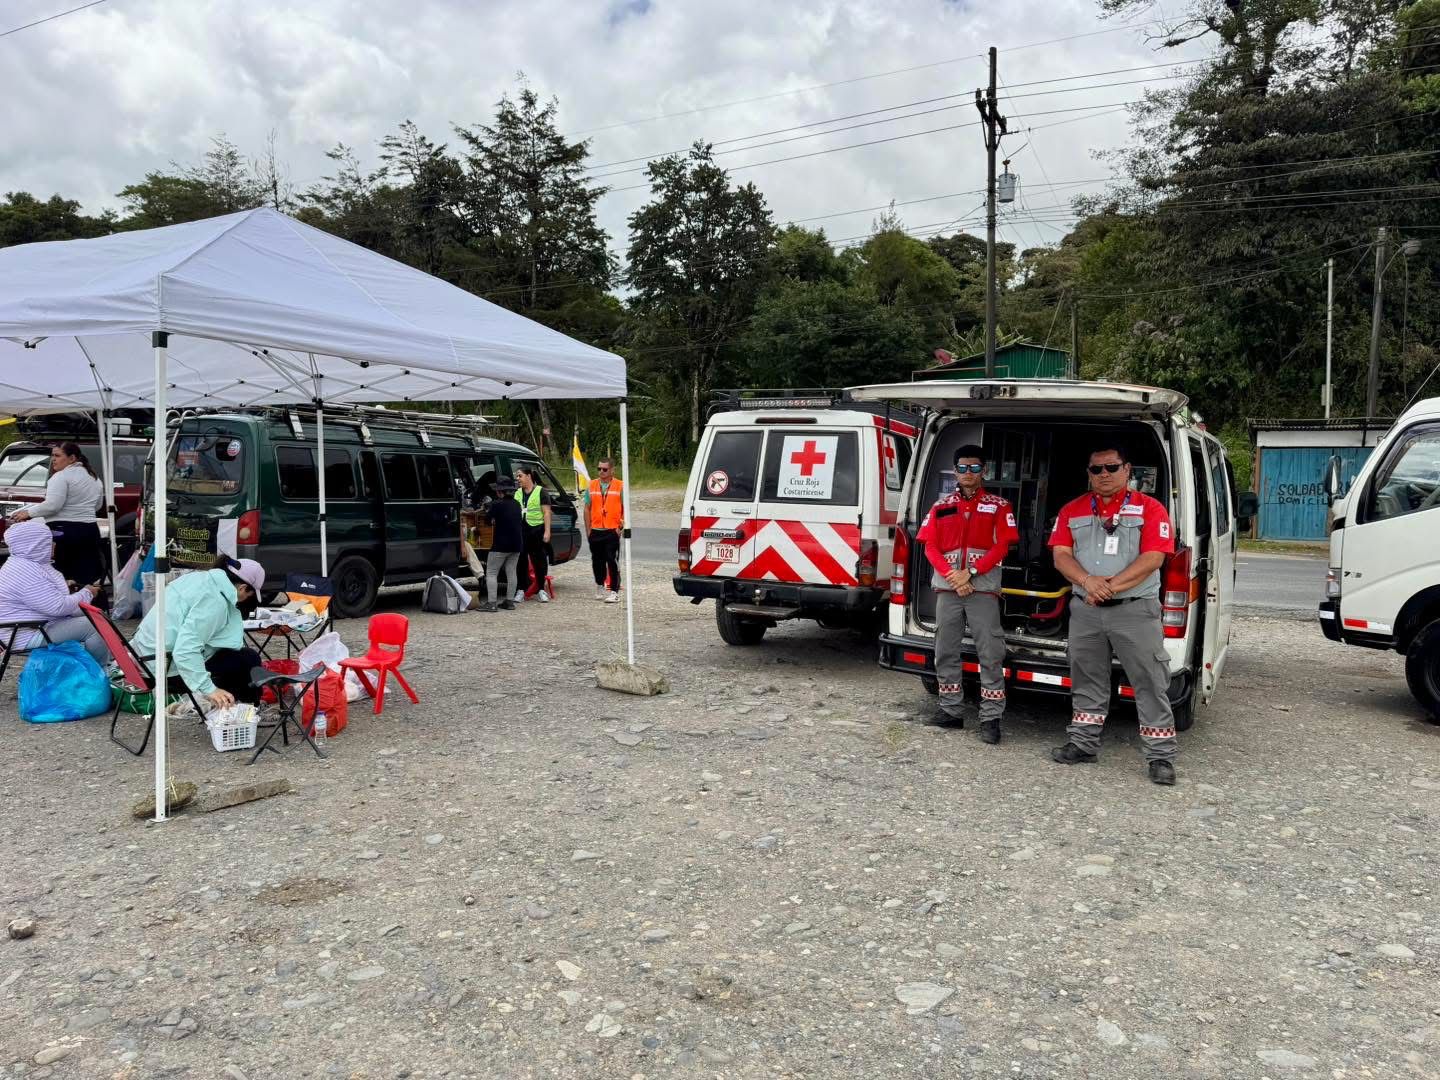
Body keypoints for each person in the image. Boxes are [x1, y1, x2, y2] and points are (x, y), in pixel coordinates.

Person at [1047, 444, 1179, 786]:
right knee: (1087, 677)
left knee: (1149, 681)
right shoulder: (1072, 510)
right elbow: (1061, 555)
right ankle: (1083, 743)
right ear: (1088, 474)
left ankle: (1160, 756)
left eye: (1111, 467)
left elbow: (1154, 558)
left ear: (1127, 469)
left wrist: (1109, 586)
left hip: (1134, 610)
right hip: (1087, 610)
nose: (1104, 474)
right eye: (1096, 469)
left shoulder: (1151, 509)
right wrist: (1087, 581)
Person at [914, 445, 1018, 742]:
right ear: (955, 470)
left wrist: (969, 573)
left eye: (974, 467)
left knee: (990, 653)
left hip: (981, 589)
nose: (968, 473)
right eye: (962, 467)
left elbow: (1002, 545)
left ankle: (991, 719)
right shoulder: (941, 506)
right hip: (948, 588)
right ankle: (950, 712)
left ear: (983, 471)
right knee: (945, 651)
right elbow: (930, 546)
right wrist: (953, 576)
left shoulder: (999, 505)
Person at [130, 556, 267, 709]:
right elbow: (185, 651)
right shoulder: (215, 602)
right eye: (249, 594)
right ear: (242, 588)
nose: (245, 599)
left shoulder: (197, 578)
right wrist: (210, 689)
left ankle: (232, 709)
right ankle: (246, 711)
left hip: (141, 659)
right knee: (248, 659)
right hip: (163, 670)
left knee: (234, 655)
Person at [0, 519, 108, 663]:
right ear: (34, 545)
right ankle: (98, 673)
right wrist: (86, 592)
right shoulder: (23, 570)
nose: (54, 544)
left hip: (33, 627)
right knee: (95, 626)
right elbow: (58, 607)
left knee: (96, 618)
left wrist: (65, 587)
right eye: (48, 541)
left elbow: (44, 595)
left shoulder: (25, 564)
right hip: (24, 634)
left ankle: (93, 670)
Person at [9, 442, 104, 588]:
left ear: (72, 458)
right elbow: (97, 506)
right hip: (90, 530)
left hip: (65, 532)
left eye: (57, 455)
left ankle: (65, 606)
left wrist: (27, 513)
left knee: (64, 577)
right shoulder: (95, 478)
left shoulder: (60, 477)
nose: (53, 459)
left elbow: (53, 505)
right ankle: (88, 607)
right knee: (86, 577)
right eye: (52, 455)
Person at [584, 458, 624, 603]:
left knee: (611, 560)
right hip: (595, 530)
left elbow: (625, 509)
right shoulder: (592, 485)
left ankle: (614, 590)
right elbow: (587, 508)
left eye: (604, 469)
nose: (601, 471)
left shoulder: (620, 486)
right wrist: (588, 529)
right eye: (599, 468)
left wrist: (620, 527)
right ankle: (600, 584)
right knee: (597, 560)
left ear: (612, 470)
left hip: (612, 530)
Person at [482, 476, 523, 612]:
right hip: (517, 544)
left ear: (500, 491)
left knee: (492, 572)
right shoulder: (517, 504)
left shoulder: (496, 504)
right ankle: (509, 601)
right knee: (511, 571)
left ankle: (492, 603)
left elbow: (487, 521)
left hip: (500, 544)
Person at [514, 466, 552, 604]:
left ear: (529, 476)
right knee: (521, 560)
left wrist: (547, 531)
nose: (518, 479)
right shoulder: (517, 493)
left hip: (536, 529)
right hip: (521, 530)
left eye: (520, 476)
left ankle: (541, 589)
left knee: (539, 560)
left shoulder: (541, 492)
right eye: (517, 476)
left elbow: (547, 512)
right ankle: (521, 589)